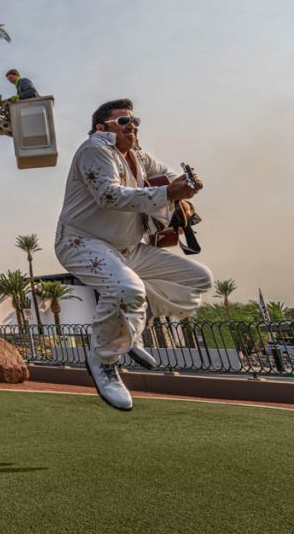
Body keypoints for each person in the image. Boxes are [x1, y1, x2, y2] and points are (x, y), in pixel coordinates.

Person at [55, 99, 212, 411]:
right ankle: (103, 361)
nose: (133, 126)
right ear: (103, 128)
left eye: (135, 120)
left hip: (130, 249)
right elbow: (109, 195)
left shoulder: (139, 156)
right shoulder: (94, 148)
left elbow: (166, 177)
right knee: (128, 289)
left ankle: (134, 330)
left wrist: (185, 196)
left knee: (198, 279)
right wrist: (170, 194)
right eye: (124, 121)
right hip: (83, 242)